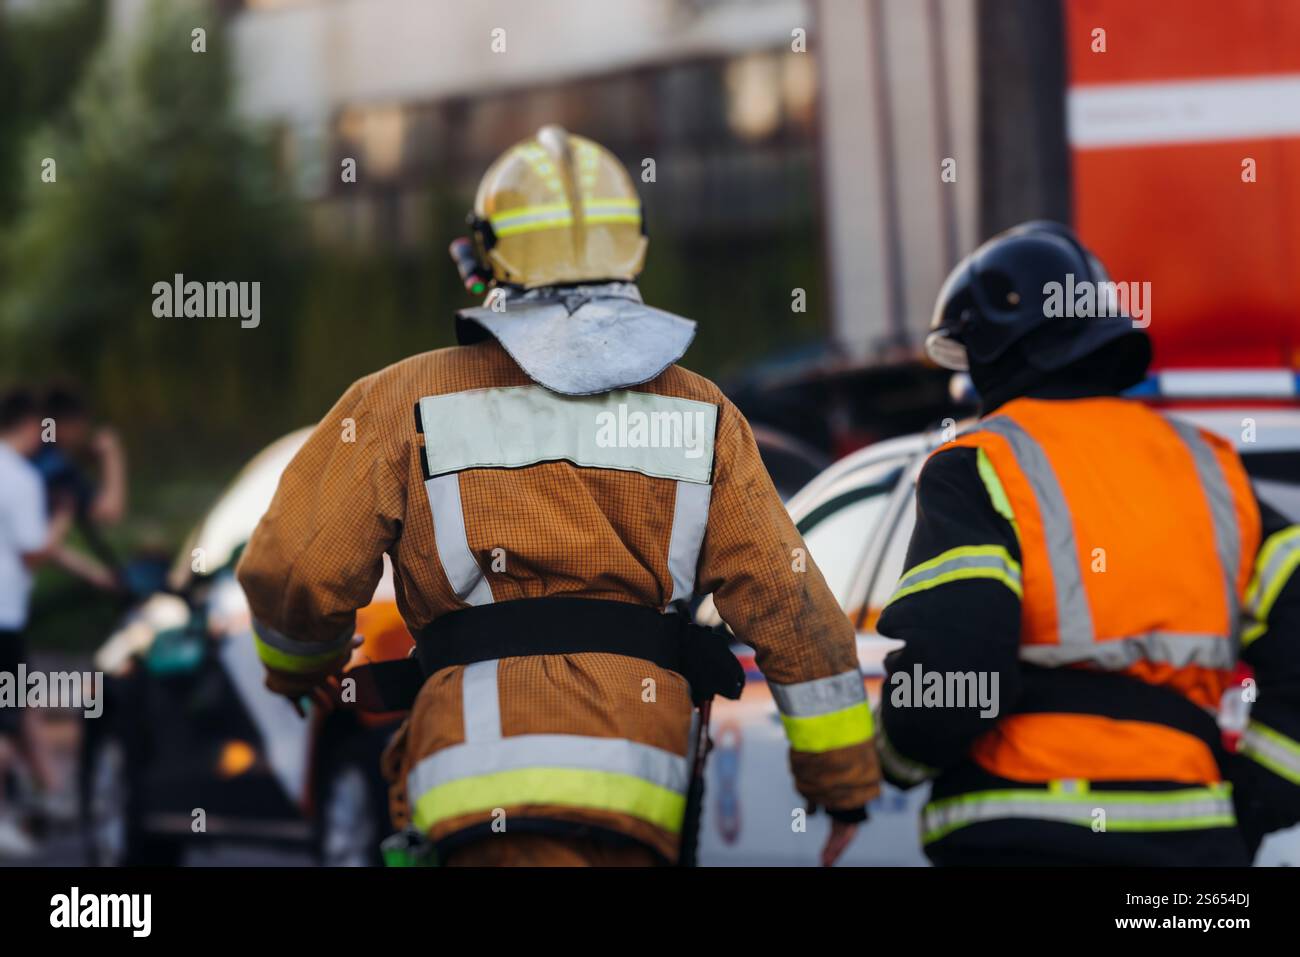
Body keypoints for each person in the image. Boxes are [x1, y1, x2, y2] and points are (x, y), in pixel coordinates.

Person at [236, 126, 879, 866]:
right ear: (631, 251)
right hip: (642, 791)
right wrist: (843, 782)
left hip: (471, 791)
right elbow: (792, 605)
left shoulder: (397, 401)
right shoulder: (704, 415)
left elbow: (294, 567)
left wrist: (299, 663)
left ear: (484, 260)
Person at [876, 221, 1300, 865]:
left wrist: (898, 756)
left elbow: (961, 668)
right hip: (1194, 857)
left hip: (1027, 832)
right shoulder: (1211, 470)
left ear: (987, 354)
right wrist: (1255, 803)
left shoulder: (980, 463)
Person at [0, 388, 70, 858]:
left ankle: (48, 794)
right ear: (29, 426)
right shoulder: (21, 478)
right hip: (4, 615)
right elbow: (32, 551)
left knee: (18, 709)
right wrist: (61, 517)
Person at [30, 386, 123, 591]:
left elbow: (38, 542)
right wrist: (112, 455)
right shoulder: (59, 471)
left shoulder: (33, 460)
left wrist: (93, 573)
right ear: (69, 424)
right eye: (83, 425)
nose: (84, 433)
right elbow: (110, 512)